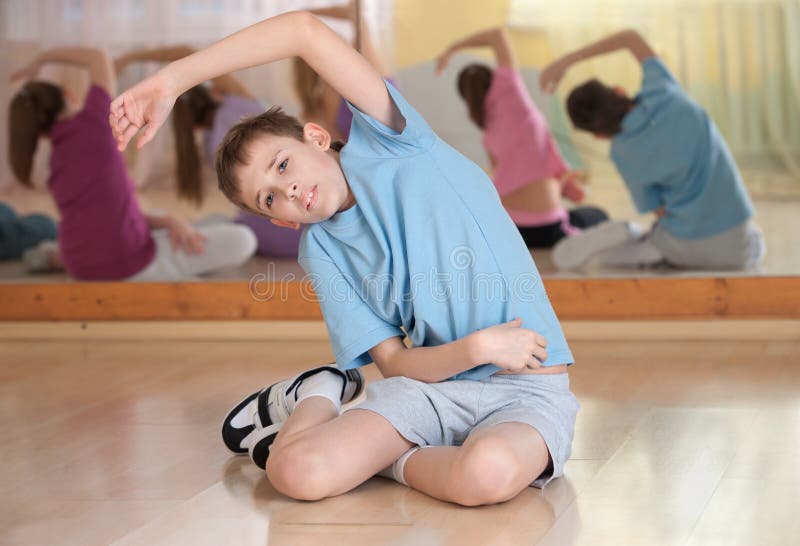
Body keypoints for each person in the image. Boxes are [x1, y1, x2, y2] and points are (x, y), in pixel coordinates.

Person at [110, 10, 579, 506]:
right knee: (295, 472)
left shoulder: (395, 142)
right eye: (269, 198)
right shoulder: (322, 250)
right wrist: (476, 350)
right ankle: (317, 392)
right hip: (430, 391)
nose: (286, 188)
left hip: (526, 391)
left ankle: (389, 460)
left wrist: (172, 79)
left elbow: (303, 32)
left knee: (485, 476)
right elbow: (396, 363)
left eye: (282, 164)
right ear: (281, 221)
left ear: (314, 136)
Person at [8, 47, 256, 281]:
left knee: (173, 218)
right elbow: (96, 56)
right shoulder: (94, 121)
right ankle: (55, 253)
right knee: (244, 239)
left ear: (38, 133)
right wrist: (42, 59)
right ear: (69, 95)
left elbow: (114, 210)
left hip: (79, 266)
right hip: (131, 265)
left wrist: (171, 222)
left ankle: (56, 254)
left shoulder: (55, 166)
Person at [540, 29, 765, 270]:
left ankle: (631, 237)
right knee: (757, 242)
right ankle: (644, 239)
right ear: (618, 91)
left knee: (631, 250)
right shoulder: (664, 91)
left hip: (683, 250)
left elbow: (659, 210)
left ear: (599, 135)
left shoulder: (622, 153)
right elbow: (629, 38)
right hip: (738, 251)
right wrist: (566, 61)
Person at [116, 46, 302, 258]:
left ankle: (143, 237)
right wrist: (131, 56)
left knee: (209, 225)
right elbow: (186, 51)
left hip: (258, 229)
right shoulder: (240, 101)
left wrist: (130, 59)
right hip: (286, 233)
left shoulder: (211, 149)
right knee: (214, 226)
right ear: (214, 92)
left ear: (190, 126)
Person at [436, 27, 607, 248]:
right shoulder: (510, 90)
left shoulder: (488, 135)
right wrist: (453, 47)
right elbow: (498, 34)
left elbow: (507, 180)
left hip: (514, 232)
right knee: (597, 214)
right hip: (550, 229)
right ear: (493, 78)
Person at [293, 0, 390, 142]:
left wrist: (307, 15)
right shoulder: (337, 85)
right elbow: (356, 13)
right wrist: (308, 14)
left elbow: (338, 142)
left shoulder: (323, 98)